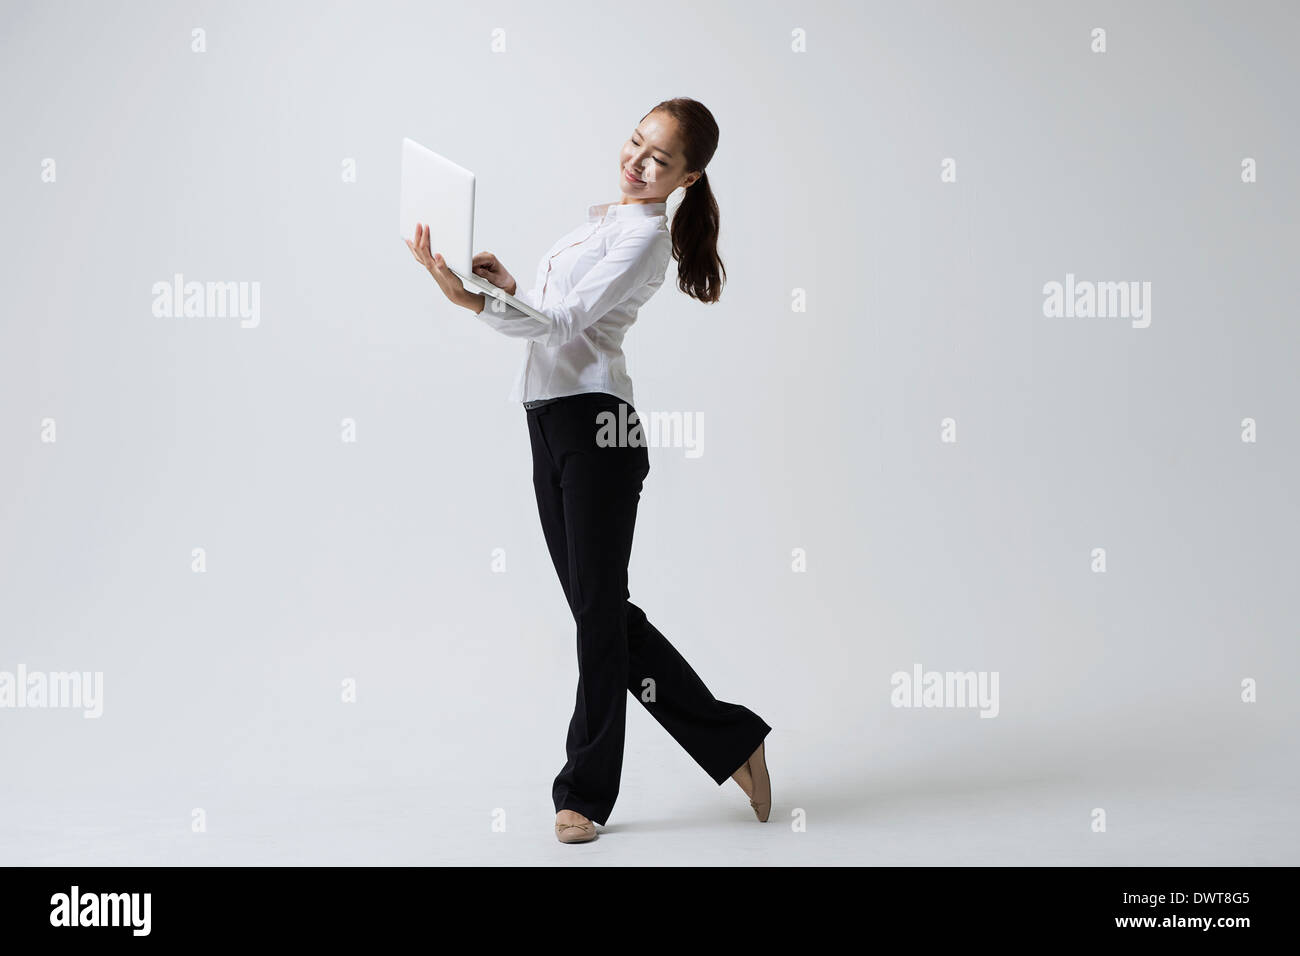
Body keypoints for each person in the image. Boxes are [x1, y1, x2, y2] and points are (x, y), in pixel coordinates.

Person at [406, 97, 771, 844]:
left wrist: (473, 300)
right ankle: (733, 740)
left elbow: (565, 326)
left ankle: (585, 794)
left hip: (597, 429)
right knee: (602, 617)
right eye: (636, 143)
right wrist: (501, 286)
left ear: (688, 176)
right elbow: (553, 313)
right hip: (550, 419)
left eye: (658, 160)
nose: (638, 161)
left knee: (599, 622)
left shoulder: (644, 238)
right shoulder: (605, 221)